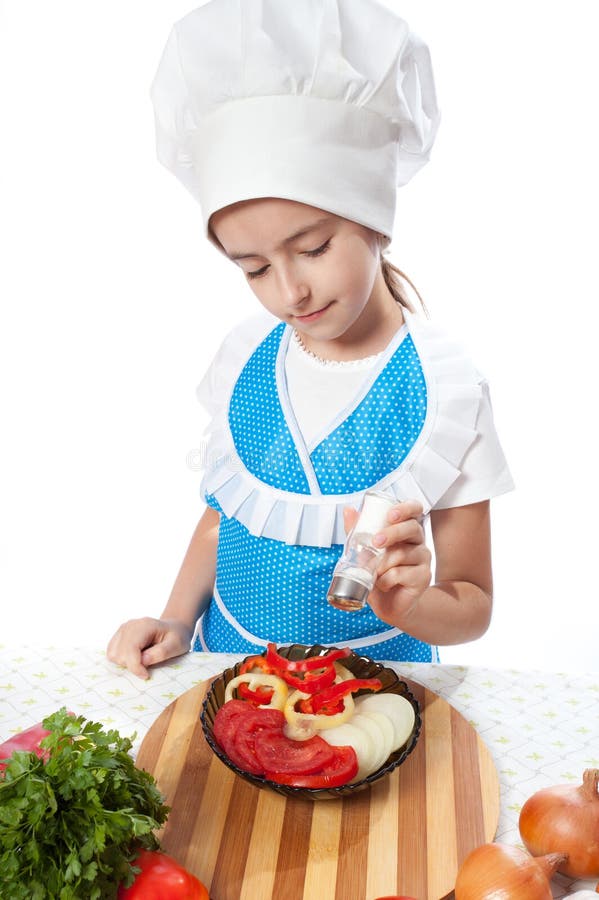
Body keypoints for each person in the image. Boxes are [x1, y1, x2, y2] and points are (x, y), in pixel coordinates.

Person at [107, 0, 514, 679]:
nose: (289, 292)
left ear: (374, 219)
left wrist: (412, 605)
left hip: (377, 692)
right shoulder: (245, 360)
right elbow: (224, 519)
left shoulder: (445, 391)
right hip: (232, 670)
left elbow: (472, 603)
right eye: (254, 268)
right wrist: (175, 620)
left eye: (314, 248)